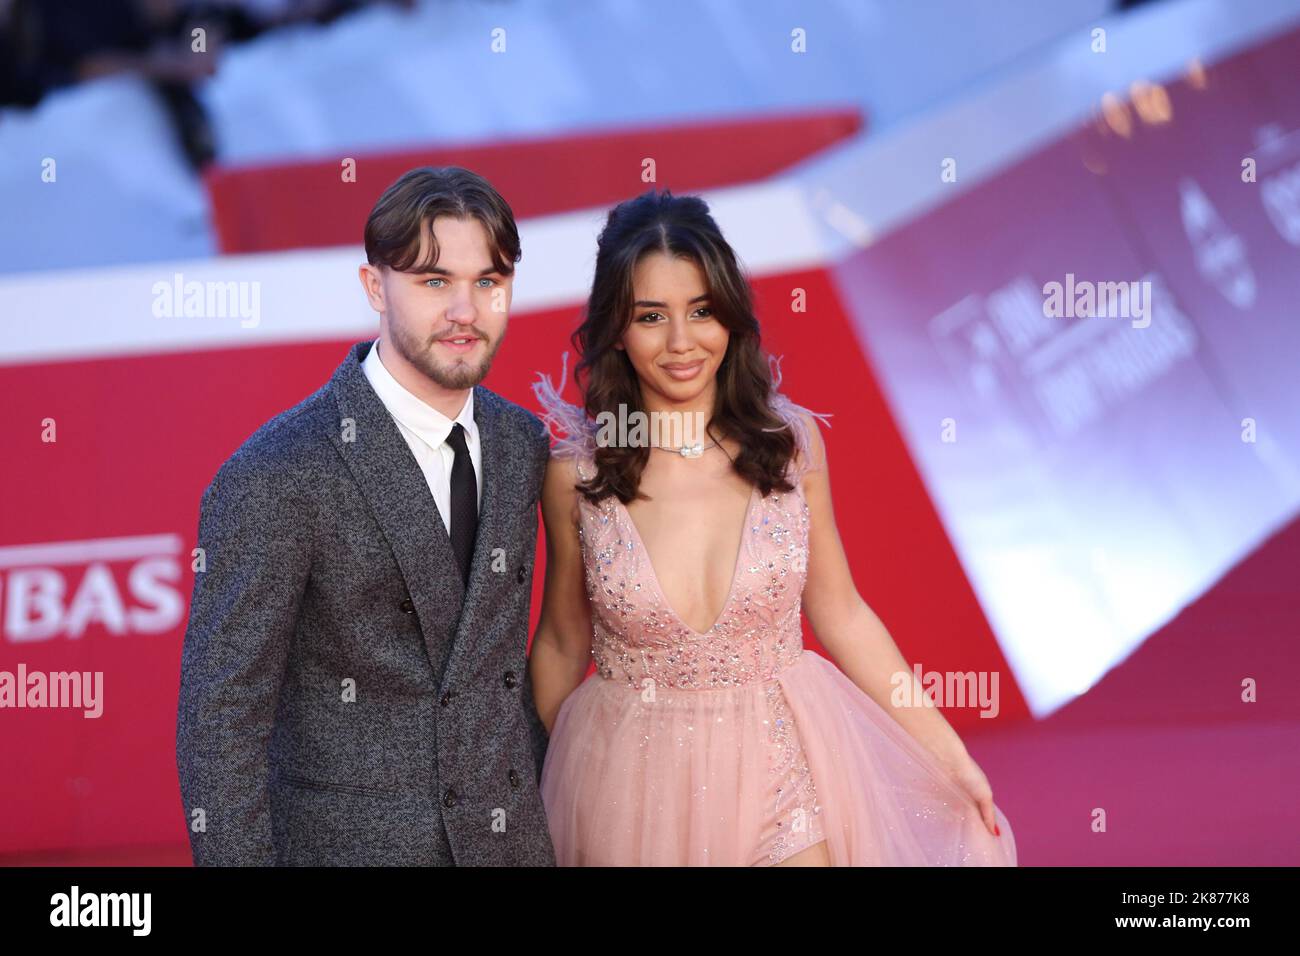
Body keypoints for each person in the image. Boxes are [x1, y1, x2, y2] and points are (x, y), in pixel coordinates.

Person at [529, 190, 1018, 866]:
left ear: (731, 314)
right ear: (616, 327)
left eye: (702, 311)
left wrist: (948, 752)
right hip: (629, 795)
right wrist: (538, 792)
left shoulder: (791, 447)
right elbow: (559, 641)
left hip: (782, 774)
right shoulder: (576, 477)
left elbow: (843, 614)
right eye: (651, 316)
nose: (681, 342)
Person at [176, 166, 556, 866]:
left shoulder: (522, 444)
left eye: (488, 281)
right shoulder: (278, 471)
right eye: (434, 281)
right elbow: (219, 717)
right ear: (374, 286)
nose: (466, 311)